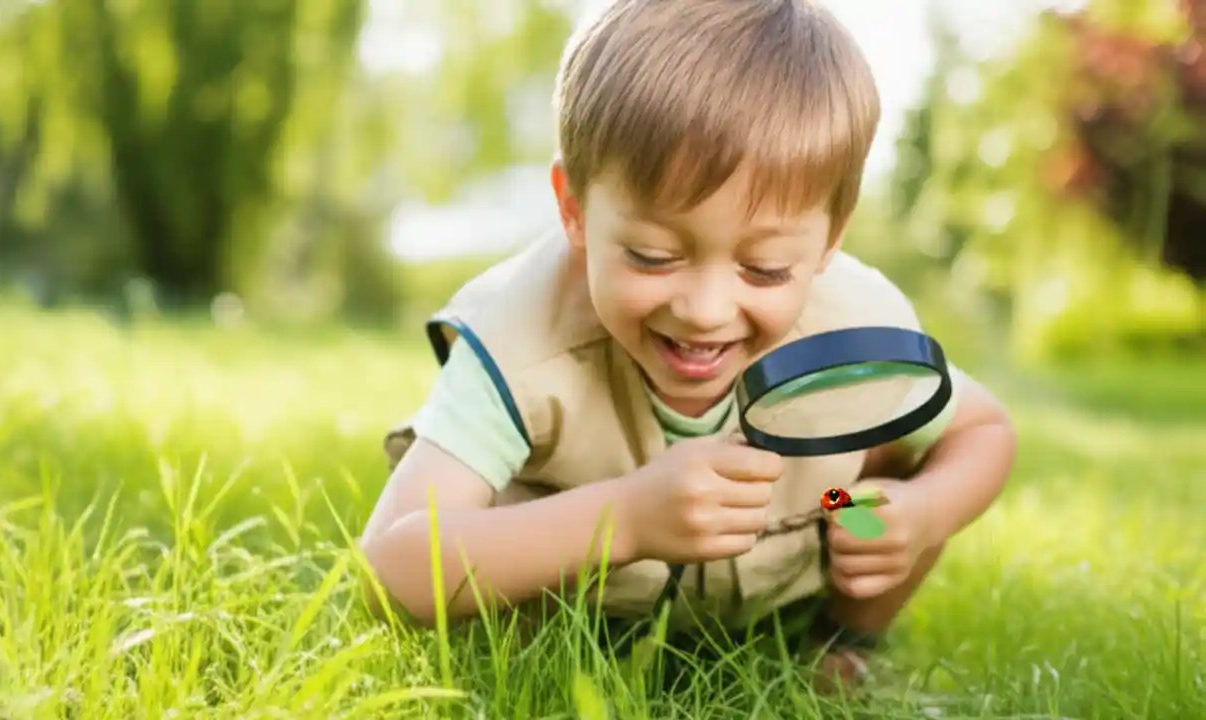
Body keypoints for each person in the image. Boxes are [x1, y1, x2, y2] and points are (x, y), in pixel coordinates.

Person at [358, 0, 1017, 693]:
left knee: (877, 472)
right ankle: (573, 652)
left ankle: (842, 653)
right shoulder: (522, 343)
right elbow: (390, 572)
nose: (704, 311)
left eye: (764, 269)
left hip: (803, 521)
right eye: (651, 255)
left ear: (830, 238)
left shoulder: (853, 332)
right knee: (489, 527)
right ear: (573, 210)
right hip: (582, 600)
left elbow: (985, 428)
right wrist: (626, 517)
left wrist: (924, 513)